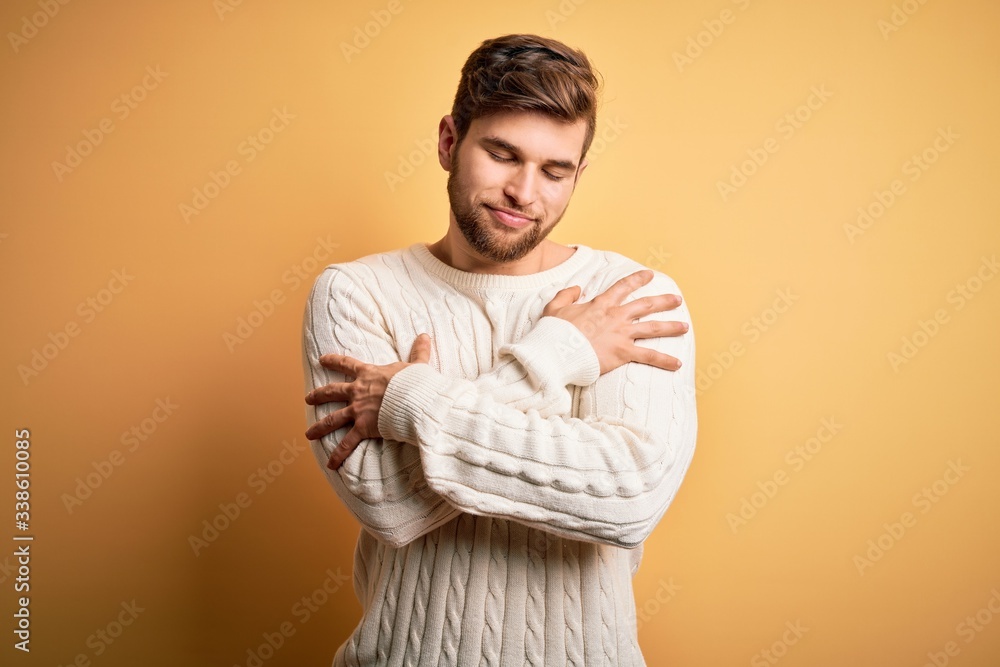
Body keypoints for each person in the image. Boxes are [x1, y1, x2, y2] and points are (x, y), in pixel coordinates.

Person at [301, 33, 697, 667]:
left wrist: (410, 400)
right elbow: (387, 502)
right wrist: (557, 355)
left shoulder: (628, 298)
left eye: (554, 171)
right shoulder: (355, 292)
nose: (524, 192)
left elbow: (628, 498)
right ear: (449, 142)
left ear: (578, 175)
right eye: (502, 154)